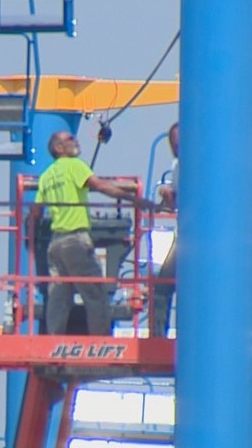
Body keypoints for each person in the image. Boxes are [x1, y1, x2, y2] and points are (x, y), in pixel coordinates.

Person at [30, 130, 157, 336]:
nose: (76, 141)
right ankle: (101, 340)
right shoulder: (74, 165)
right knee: (95, 293)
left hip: (55, 244)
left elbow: (35, 213)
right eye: (70, 139)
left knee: (58, 295)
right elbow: (101, 186)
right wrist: (136, 200)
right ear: (58, 148)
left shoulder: (47, 176)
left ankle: (53, 340)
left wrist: (29, 238)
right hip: (75, 239)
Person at [150, 122, 179, 339]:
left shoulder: (202, 163)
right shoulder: (178, 166)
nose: (174, 147)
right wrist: (167, 196)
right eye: (172, 144)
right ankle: (158, 336)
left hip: (199, 238)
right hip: (185, 236)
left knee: (165, 286)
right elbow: (173, 205)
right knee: (162, 286)